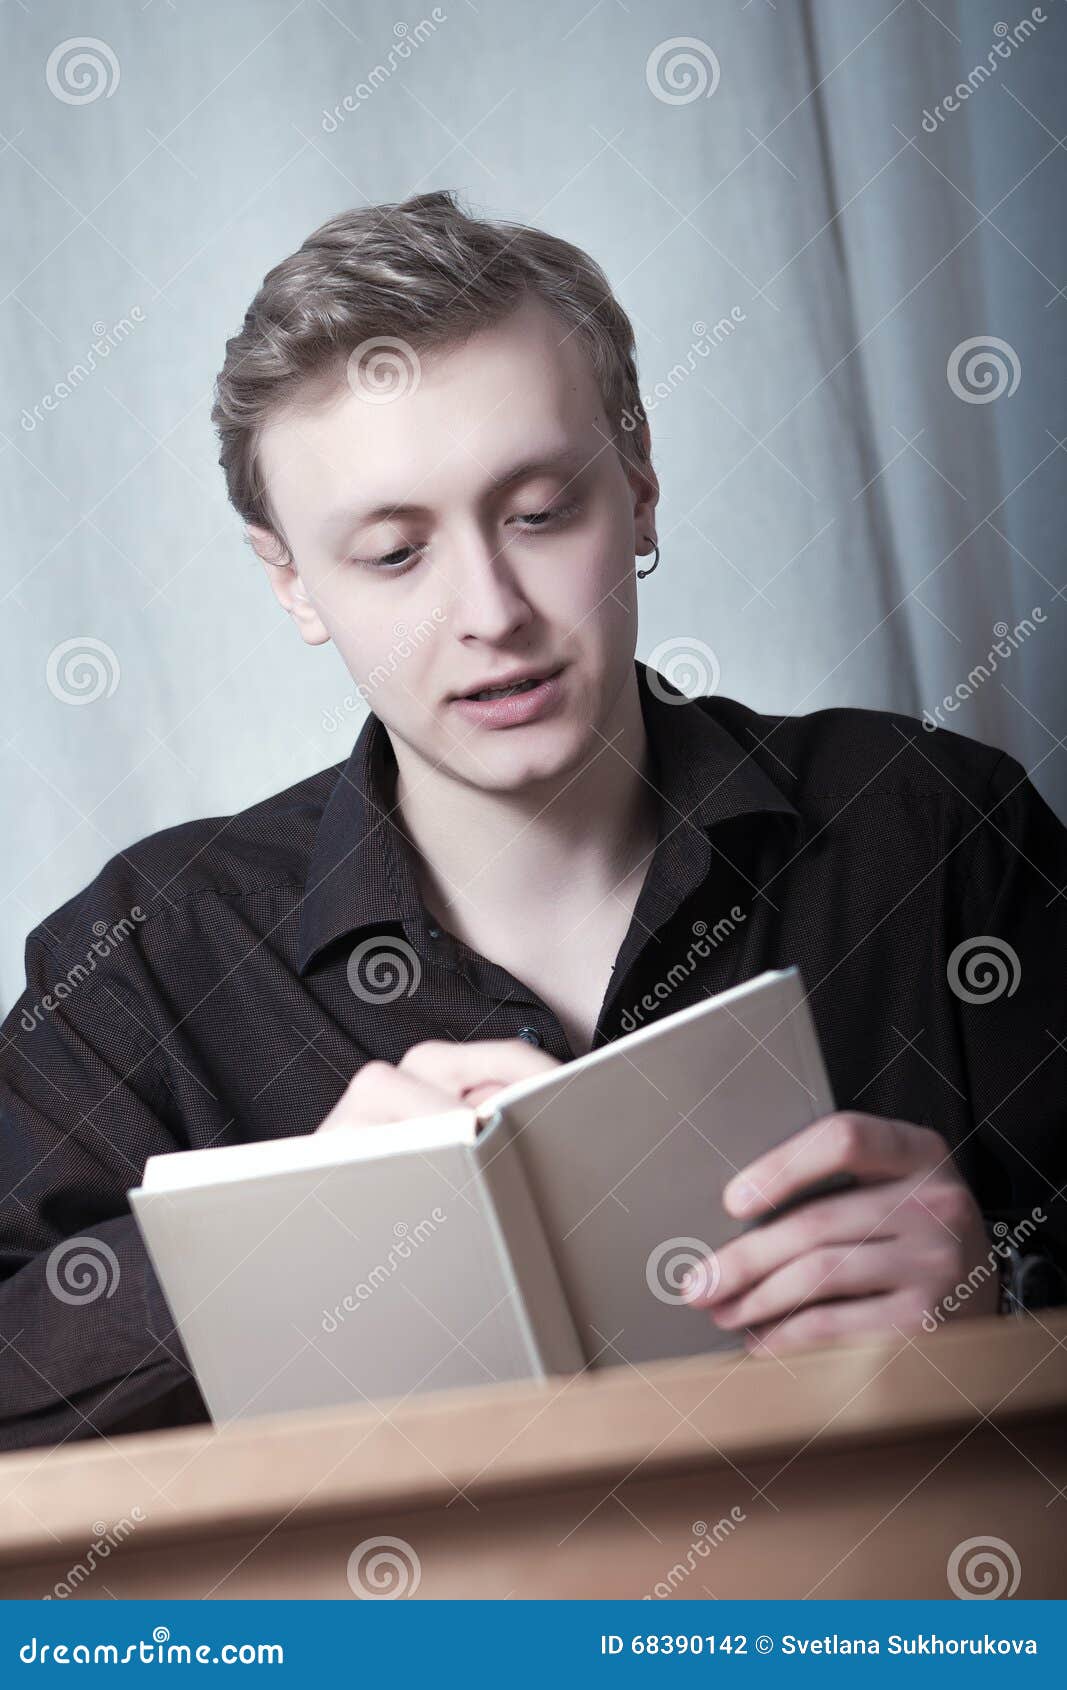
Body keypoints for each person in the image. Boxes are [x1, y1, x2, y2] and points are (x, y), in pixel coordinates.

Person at [2, 191, 1064, 1452]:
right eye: (394, 554)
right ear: (292, 582)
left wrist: (1003, 1309)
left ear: (640, 490)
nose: (490, 611)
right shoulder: (141, 959)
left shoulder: (934, 825)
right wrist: (262, 1253)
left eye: (540, 513)